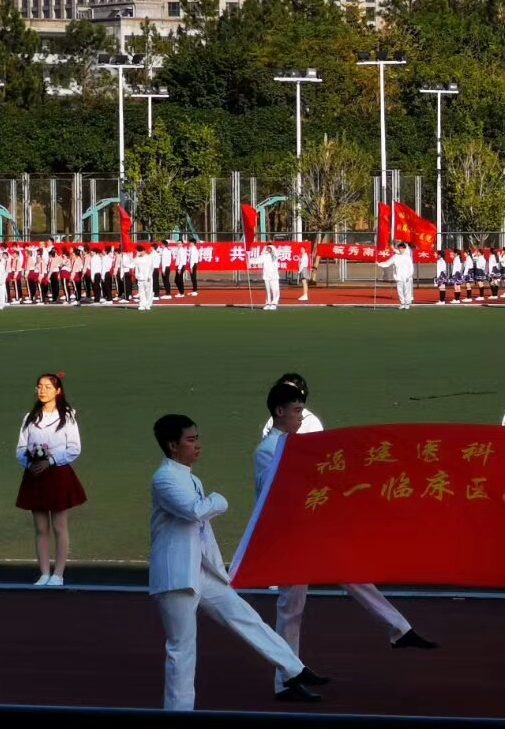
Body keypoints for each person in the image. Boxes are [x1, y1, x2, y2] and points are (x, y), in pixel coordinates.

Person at [150, 413, 329, 710]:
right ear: (172, 445)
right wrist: (219, 500)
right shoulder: (164, 479)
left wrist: (220, 571)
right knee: (182, 649)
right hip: (176, 576)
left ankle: (294, 668)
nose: (198, 445)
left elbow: (201, 531)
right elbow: (194, 511)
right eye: (191, 440)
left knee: (245, 616)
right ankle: (179, 713)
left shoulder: (191, 478)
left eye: (197, 438)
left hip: (201, 572)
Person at [255, 374, 434, 654]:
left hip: (309, 531)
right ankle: (288, 675)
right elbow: (277, 493)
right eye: (297, 410)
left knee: (351, 575)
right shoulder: (268, 450)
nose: (301, 417)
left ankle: (400, 628)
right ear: (280, 412)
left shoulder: (292, 444)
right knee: (291, 607)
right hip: (290, 538)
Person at [15, 373, 86, 587]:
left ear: (58, 391)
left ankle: (58, 574)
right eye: (39, 386)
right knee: (40, 527)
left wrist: (51, 461)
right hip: (35, 475)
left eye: (47, 386)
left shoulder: (67, 418)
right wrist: (31, 463)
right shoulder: (30, 417)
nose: (42, 390)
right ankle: (44, 573)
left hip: (58, 475)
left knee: (59, 526)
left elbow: (74, 448)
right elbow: (20, 448)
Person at [378, 241, 415, 310]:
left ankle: (407, 303)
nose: (401, 250)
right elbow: (387, 263)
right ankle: (402, 303)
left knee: (407, 290)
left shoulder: (407, 257)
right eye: (400, 248)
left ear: (404, 249)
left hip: (407, 277)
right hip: (399, 277)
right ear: (398, 249)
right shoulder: (395, 257)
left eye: (402, 248)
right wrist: (379, 264)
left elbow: (411, 268)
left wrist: (409, 275)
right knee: (400, 291)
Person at [261, 245, 281, 310]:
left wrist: (271, 248)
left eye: (269, 249)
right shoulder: (264, 256)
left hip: (274, 276)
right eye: (267, 249)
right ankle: (268, 303)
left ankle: (274, 303)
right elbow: (258, 260)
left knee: (275, 290)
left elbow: (275, 254)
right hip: (266, 276)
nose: (268, 250)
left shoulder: (274, 256)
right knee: (268, 291)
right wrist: (249, 261)